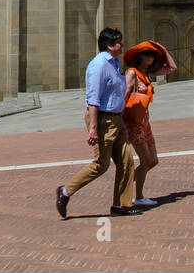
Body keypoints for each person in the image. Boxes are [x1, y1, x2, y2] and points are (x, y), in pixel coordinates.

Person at [55, 28, 136, 218]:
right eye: (118, 42)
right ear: (109, 46)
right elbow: (93, 99)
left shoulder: (114, 63)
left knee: (126, 161)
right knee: (101, 164)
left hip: (117, 119)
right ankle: (65, 192)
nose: (122, 45)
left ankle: (121, 205)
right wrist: (93, 128)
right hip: (103, 119)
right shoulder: (99, 65)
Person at [122, 41, 176, 207]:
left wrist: (163, 49)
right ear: (140, 57)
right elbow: (124, 94)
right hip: (134, 123)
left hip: (144, 122)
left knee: (153, 160)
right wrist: (120, 119)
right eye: (147, 54)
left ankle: (126, 188)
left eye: (153, 55)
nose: (151, 58)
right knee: (145, 160)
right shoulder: (132, 73)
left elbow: (172, 68)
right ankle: (134, 194)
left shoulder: (147, 75)